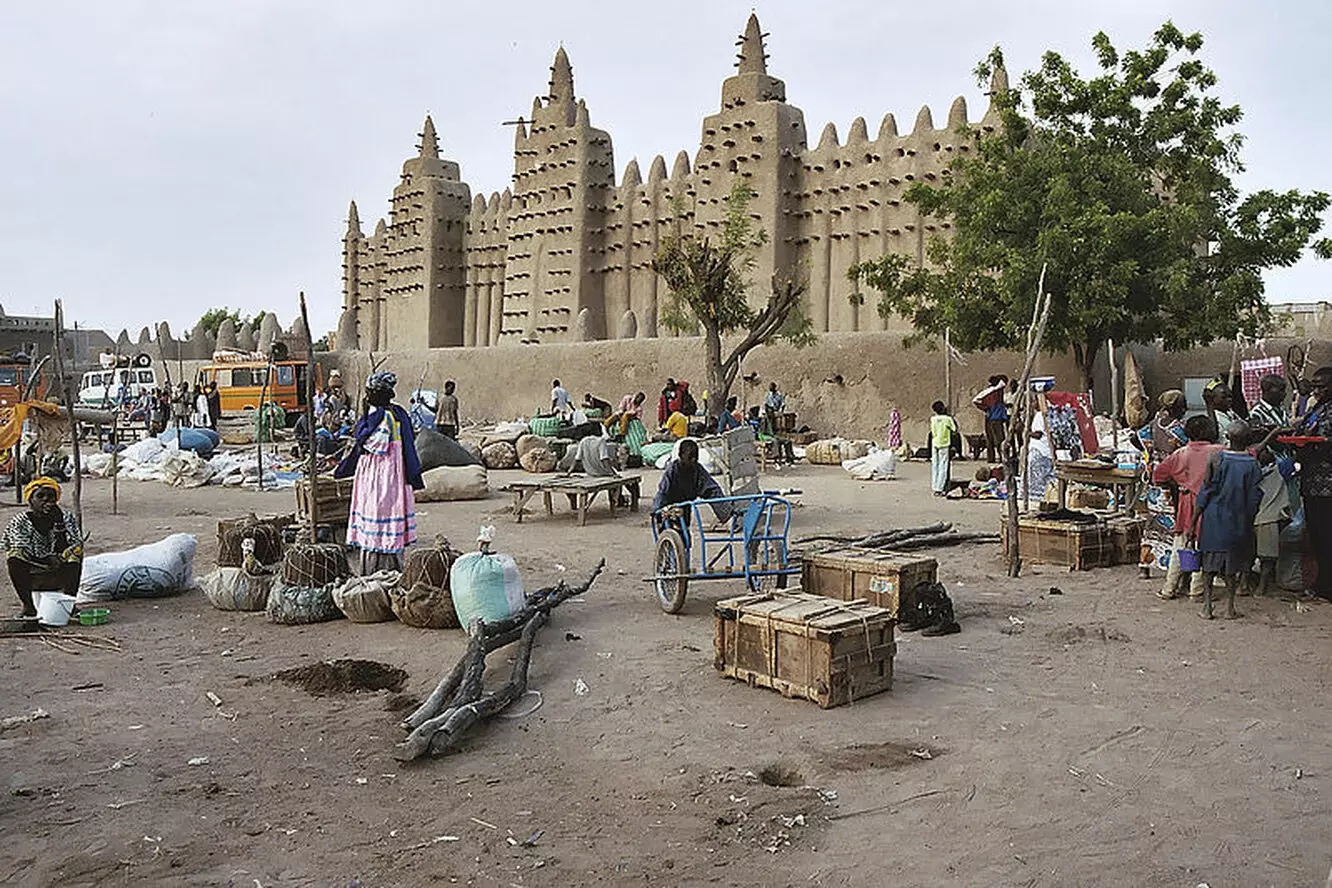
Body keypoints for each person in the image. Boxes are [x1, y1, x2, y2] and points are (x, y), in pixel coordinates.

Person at [334, 372, 424, 574]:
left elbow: (377, 445)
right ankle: (390, 564)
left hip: (381, 472)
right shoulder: (398, 412)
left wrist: (358, 441)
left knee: (379, 509)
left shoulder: (382, 416)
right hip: (393, 470)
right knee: (387, 509)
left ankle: (378, 570)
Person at [1193, 420, 1263, 619]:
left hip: (1214, 519)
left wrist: (1193, 522)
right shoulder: (1252, 464)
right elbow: (1255, 497)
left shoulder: (1216, 459)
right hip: (1239, 521)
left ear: (1227, 436)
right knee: (1232, 568)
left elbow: (1205, 491)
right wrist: (1249, 519)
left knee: (1209, 566)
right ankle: (1230, 608)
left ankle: (1207, 607)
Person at [1152, 415, 1224, 600]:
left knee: (1181, 545)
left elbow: (1158, 475)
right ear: (1206, 432)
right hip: (1208, 505)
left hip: (1185, 505)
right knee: (1202, 546)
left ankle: (1169, 588)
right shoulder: (1218, 451)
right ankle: (1196, 589)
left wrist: (1178, 484)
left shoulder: (1180, 454)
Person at [5, 478, 82, 619]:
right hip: (33, 565)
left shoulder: (65, 518)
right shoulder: (20, 521)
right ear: (31, 500)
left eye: (51, 496)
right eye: (40, 496)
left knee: (76, 554)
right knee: (14, 557)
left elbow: (69, 545)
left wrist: (59, 525)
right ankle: (29, 607)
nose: (47, 500)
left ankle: (68, 604)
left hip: (59, 565)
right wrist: (46, 558)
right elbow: (20, 547)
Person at [1293, 366, 1332, 599]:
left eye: (1322, 386)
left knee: (1326, 535)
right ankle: (1323, 582)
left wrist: (1311, 445)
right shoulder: (1317, 407)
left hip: (1327, 485)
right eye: (1315, 386)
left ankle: (1327, 586)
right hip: (1312, 482)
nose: (1317, 390)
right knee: (1317, 535)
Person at [651, 438, 728, 524]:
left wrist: (726, 513)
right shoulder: (672, 470)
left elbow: (711, 489)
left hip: (686, 503)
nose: (693, 460)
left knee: (685, 530)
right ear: (681, 455)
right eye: (690, 457)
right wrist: (657, 510)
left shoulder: (697, 469)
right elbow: (663, 491)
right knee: (670, 526)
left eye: (695, 457)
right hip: (670, 504)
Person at [972, 374, 1010, 463]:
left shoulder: (987, 392)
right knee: (1000, 439)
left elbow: (975, 400)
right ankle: (1002, 457)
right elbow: (1004, 380)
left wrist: (985, 408)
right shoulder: (997, 390)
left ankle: (991, 458)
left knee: (990, 439)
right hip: (996, 418)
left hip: (989, 417)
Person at [928, 401, 958, 496]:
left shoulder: (933, 419)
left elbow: (933, 431)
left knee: (935, 465)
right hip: (944, 443)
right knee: (943, 466)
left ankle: (934, 486)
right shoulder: (947, 419)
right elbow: (954, 429)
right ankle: (939, 488)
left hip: (935, 442)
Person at [1204, 378, 1241, 447]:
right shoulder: (1212, 416)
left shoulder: (1232, 413)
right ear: (1212, 399)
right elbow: (1214, 434)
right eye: (1223, 397)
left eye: (1230, 396)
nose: (1229, 399)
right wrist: (1209, 406)